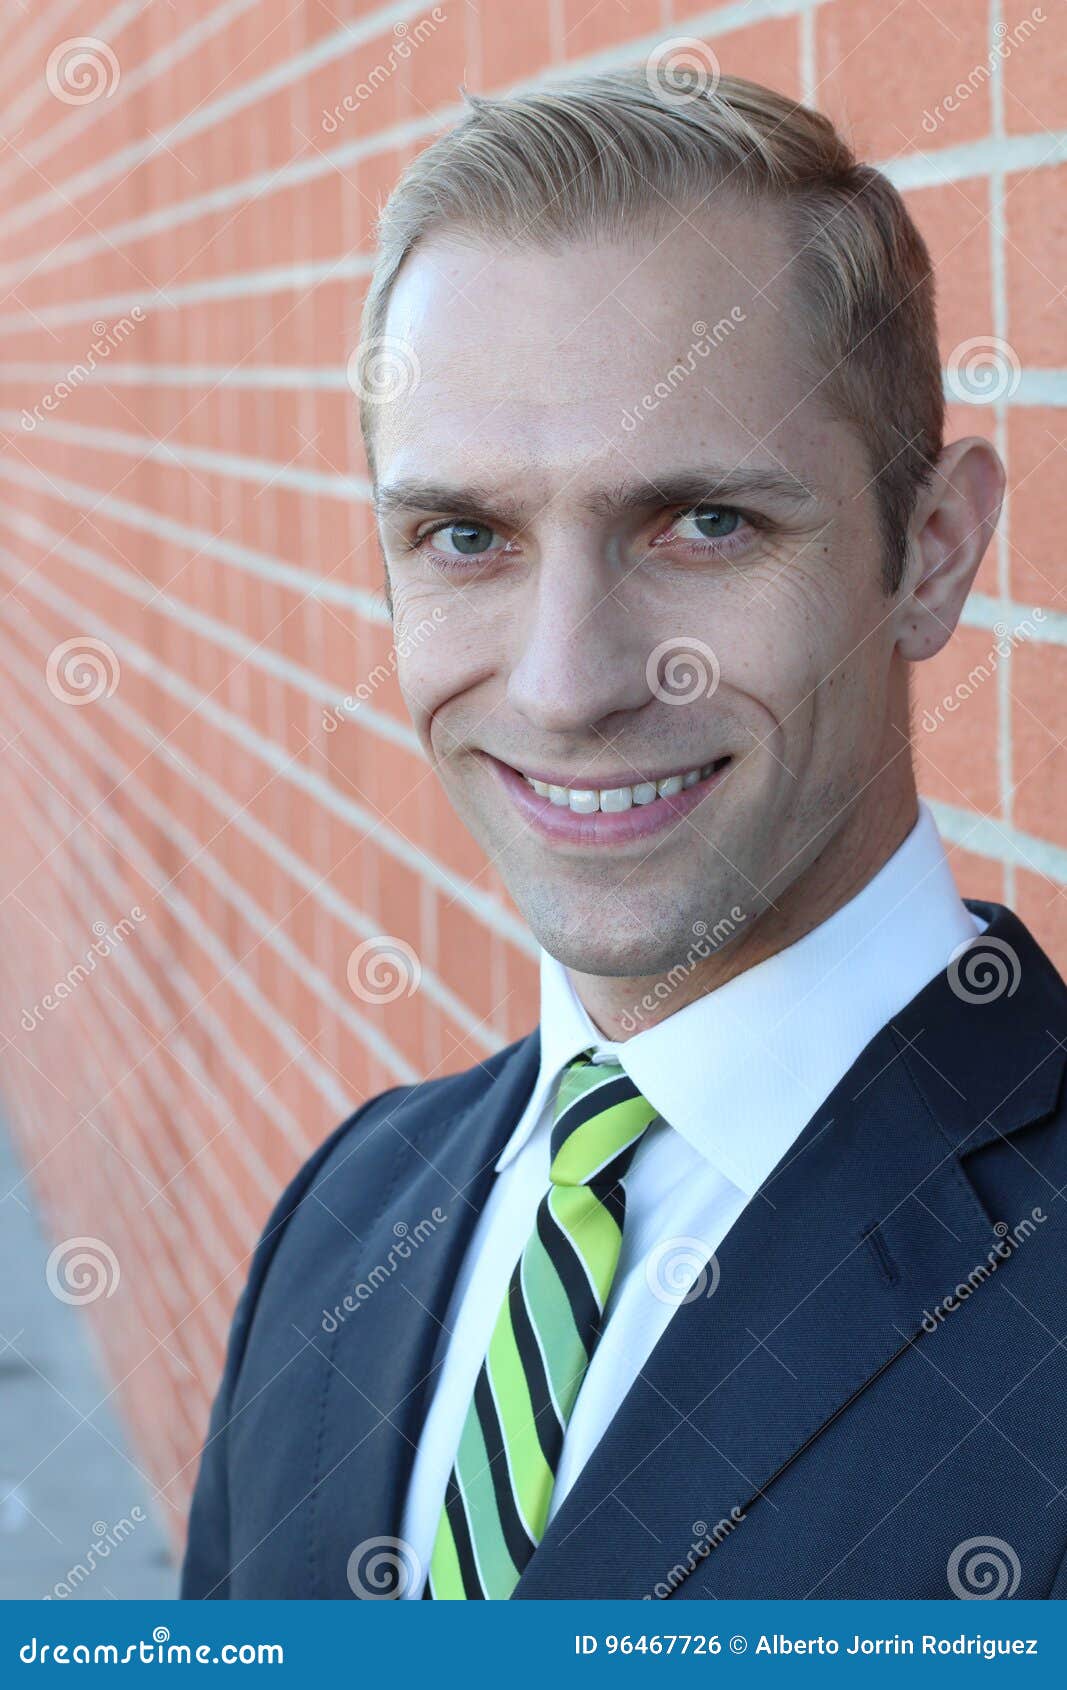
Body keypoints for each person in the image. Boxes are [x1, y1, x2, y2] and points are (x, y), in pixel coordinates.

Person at [181, 67, 1067, 1601]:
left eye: (705, 523)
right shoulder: (342, 1219)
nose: (568, 681)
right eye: (466, 537)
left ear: (931, 554)